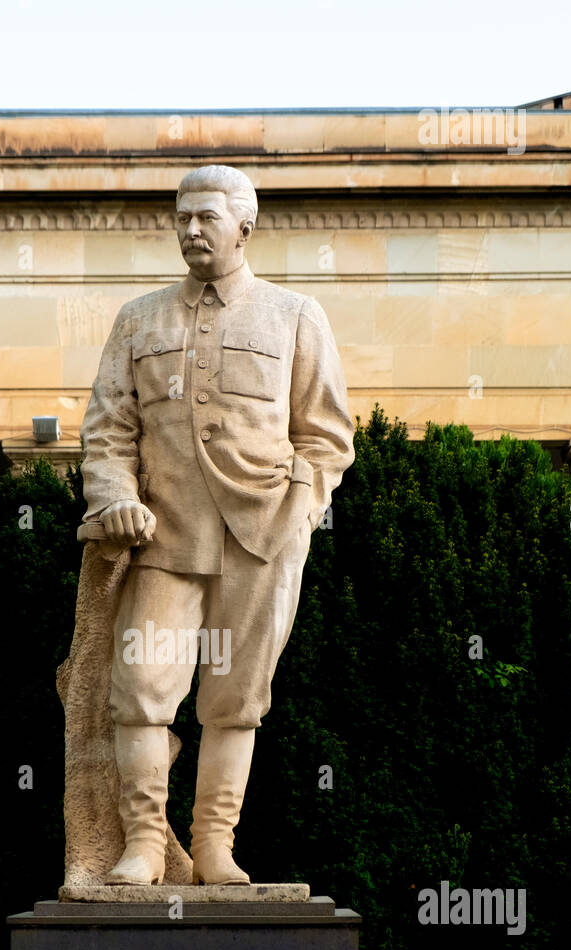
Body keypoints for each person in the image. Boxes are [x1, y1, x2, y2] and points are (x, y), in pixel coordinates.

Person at [80, 164, 354, 886]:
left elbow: (326, 436)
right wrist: (113, 498)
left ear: (245, 226)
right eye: (181, 218)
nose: (190, 229)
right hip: (162, 540)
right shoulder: (138, 320)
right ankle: (143, 841)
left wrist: (296, 513)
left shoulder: (296, 317)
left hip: (262, 542)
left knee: (236, 701)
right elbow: (108, 431)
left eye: (205, 217)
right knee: (139, 689)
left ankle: (214, 846)